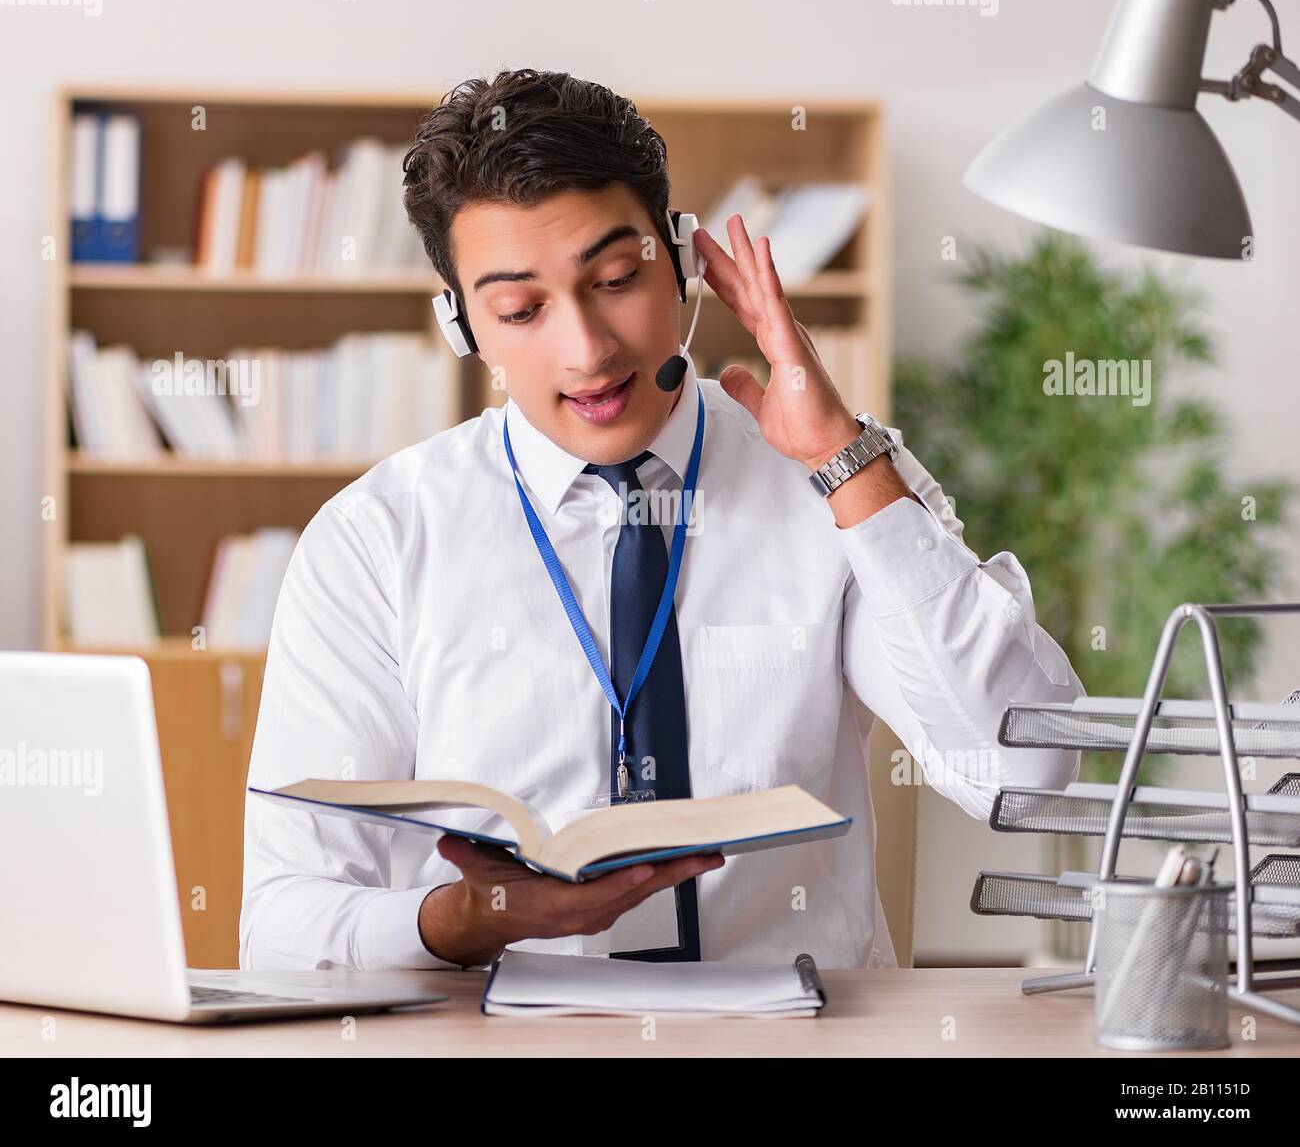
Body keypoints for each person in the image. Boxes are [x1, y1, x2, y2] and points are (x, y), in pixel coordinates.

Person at [239, 68, 1082, 972]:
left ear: (680, 260)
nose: (588, 350)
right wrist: (460, 919)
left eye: (613, 278)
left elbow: (1026, 774)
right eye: (521, 309)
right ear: (463, 328)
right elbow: (281, 923)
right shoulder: (378, 539)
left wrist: (843, 461)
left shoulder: (839, 478)